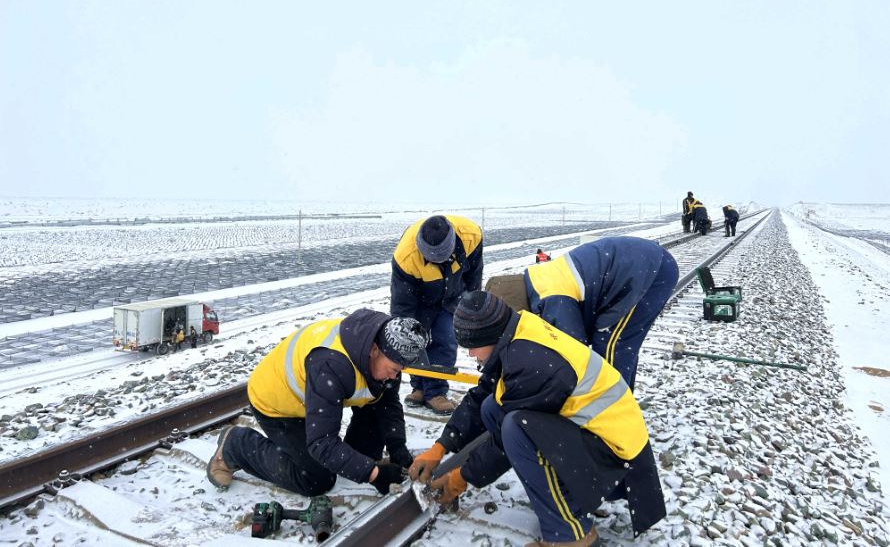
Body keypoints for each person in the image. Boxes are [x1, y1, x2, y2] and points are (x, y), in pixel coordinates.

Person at [409, 292, 666, 547]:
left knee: (514, 430)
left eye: (472, 347)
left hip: (618, 462)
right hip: (596, 439)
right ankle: (564, 498)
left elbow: (501, 445)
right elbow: (481, 396)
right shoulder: (516, 331)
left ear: (489, 336)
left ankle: (573, 536)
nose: (471, 354)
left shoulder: (529, 365)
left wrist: (460, 478)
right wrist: (441, 446)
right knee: (491, 407)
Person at [206, 309, 428, 497]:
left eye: (398, 372)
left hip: (314, 395)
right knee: (316, 479)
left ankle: (356, 458)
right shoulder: (331, 365)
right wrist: (374, 475)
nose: (394, 377)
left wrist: (397, 446)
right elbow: (321, 442)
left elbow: (386, 401)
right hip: (277, 402)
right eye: (392, 370)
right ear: (373, 350)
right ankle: (235, 445)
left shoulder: (388, 347)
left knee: (363, 457)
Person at [487, 237, 678, 392]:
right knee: (618, 345)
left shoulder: (552, 300)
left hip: (651, 272)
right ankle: (621, 401)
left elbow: (574, 353)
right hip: (640, 263)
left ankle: (612, 420)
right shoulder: (537, 281)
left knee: (612, 346)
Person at [391, 215, 483, 415]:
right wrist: (404, 329)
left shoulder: (471, 236)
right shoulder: (405, 257)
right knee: (415, 338)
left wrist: (472, 305)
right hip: (420, 298)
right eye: (432, 259)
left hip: (453, 295)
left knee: (446, 339)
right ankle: (419, 387)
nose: (439, 261)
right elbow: (401, 302)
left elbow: (474, 274)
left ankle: (436, 392)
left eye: (443, 257)